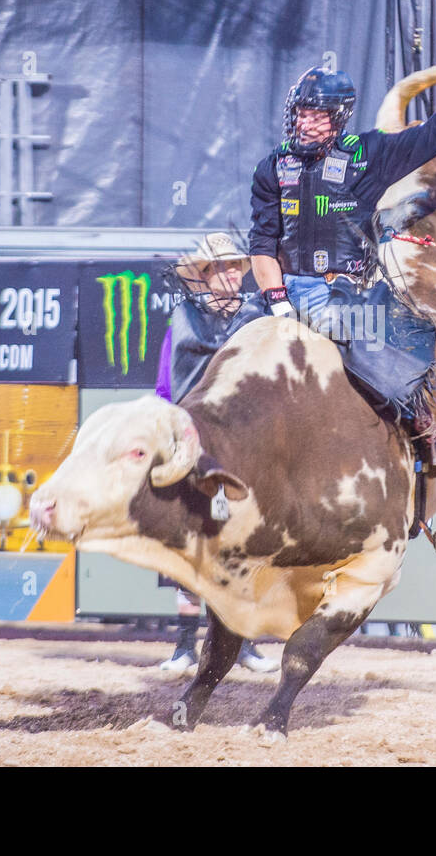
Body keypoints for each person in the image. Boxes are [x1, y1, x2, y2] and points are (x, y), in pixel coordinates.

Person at [248, 33, 436, 485]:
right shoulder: (271, 169)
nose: (308, 124)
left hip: (341, 292)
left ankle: (431, 432)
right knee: (218, 339)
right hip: (278, 290)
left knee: (386, 351)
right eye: (303, 113)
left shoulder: (369, 155)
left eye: (319, 116)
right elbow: (262, 244)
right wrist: (278, 301)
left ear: (338, 120)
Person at [154, 233, 278, 676]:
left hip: (245, 450)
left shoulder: (259, 316)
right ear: (204, 276)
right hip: (195, 445)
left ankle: (242, 647)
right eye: (219, 267)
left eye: (232, 266)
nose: (228, 273)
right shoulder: (185, 321)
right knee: (191, 547)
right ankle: (184, 648)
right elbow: (166, 386)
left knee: (242, 547)